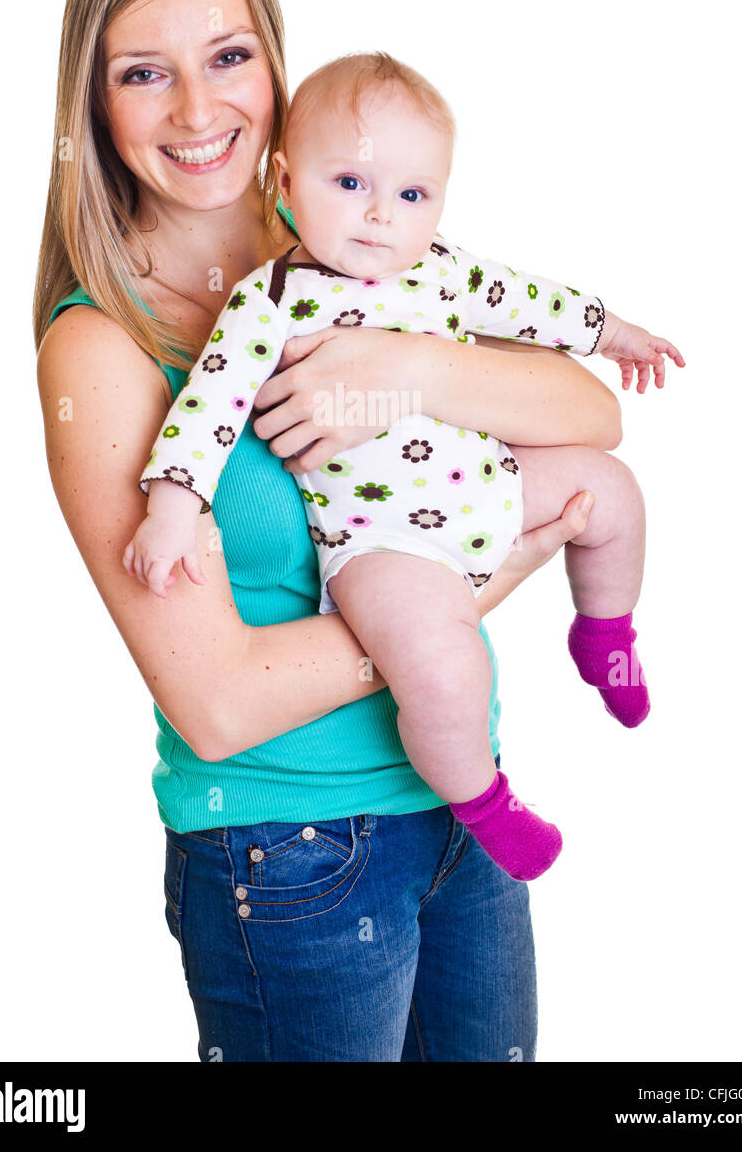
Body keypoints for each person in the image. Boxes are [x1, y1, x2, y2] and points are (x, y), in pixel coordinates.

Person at [35, 0, 624, 1062]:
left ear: (275, 68)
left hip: (458, 806)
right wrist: (460, 598)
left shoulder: (353, 230)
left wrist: (406, 371)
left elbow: (590, 417)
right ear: (95, 109)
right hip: (286, 851)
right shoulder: (101, 348)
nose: (198, 112)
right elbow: (220, 700)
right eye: (145, 73)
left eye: (229, 58)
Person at [124, 50, 683, 884]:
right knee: (444, 661)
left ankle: (605, 630)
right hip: (383, 543)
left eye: (412, 195)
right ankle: (485, 800)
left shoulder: (444, 271)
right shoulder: (270, 301)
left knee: (612, 493)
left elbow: (531, 303)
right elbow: (206, 405)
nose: (381, 215)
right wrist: (172, 506)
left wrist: (613, 332)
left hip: (487, 486)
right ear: (286, 177)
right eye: (350, 183)